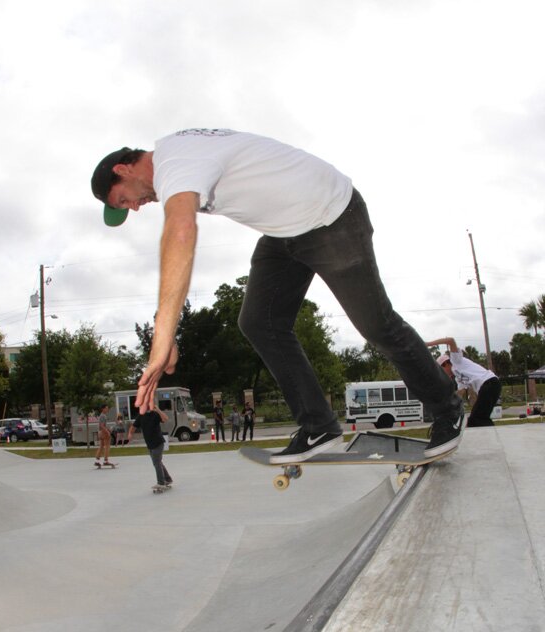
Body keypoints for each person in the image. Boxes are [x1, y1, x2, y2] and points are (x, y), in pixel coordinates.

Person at [91, 130, 463, 463]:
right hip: (284, 234)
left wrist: (163, 335)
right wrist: (164, 323)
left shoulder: (174, 163)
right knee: (259, 321)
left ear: (124, 170)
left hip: (332, 216)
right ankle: (318, 424)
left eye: (125, 201)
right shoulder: (180, 160)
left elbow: (180, 232)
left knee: (376, 324)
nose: (136, 207)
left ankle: (447, 409)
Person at [426, 338, 501, 427]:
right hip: (490, 387)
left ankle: (493, 437)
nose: (443, 374)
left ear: (446, 364)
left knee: (477, 419)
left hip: (489, 383)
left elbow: (451, 340)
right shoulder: (458, 378)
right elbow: (460, 393)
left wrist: (428, 344)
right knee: (478, 418)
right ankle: (490, 435)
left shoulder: (455, 361)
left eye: (442, 371)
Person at [128, 405, 173, 490]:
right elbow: (134, 426)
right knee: (158, 462)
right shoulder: (141, 416)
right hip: (150, 444)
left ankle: (161, 483)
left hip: (158, 443)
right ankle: (167, 479)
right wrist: (130, 433)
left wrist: (158, 409)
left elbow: (165, 419)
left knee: (156, 463)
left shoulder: (155, 414)